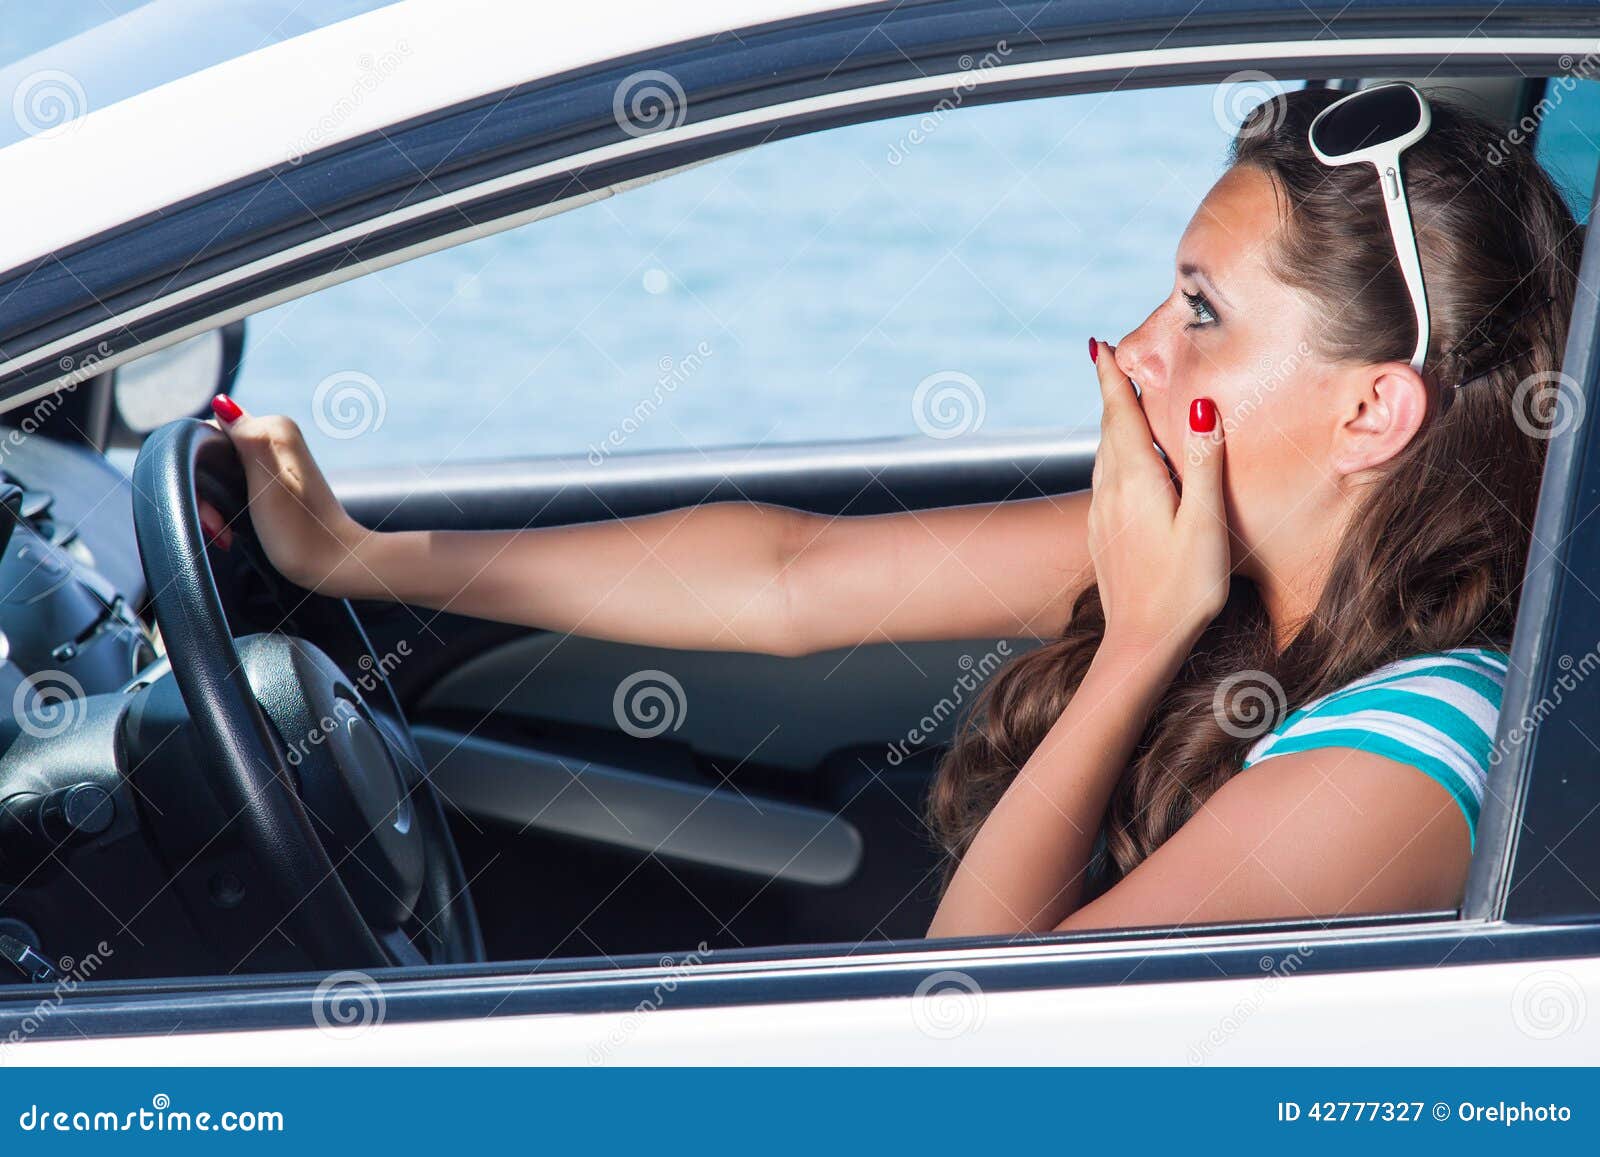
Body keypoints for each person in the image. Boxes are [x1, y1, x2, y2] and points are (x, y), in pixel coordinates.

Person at [201, 85, 1579, 941]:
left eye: (1204, 311)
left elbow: (994, 1028)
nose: (1137, 345)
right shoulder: (1221, 555)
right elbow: (791, 578)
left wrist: (1138, 649)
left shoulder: (1414, 753)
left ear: (1373, 414)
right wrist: (366, 555)